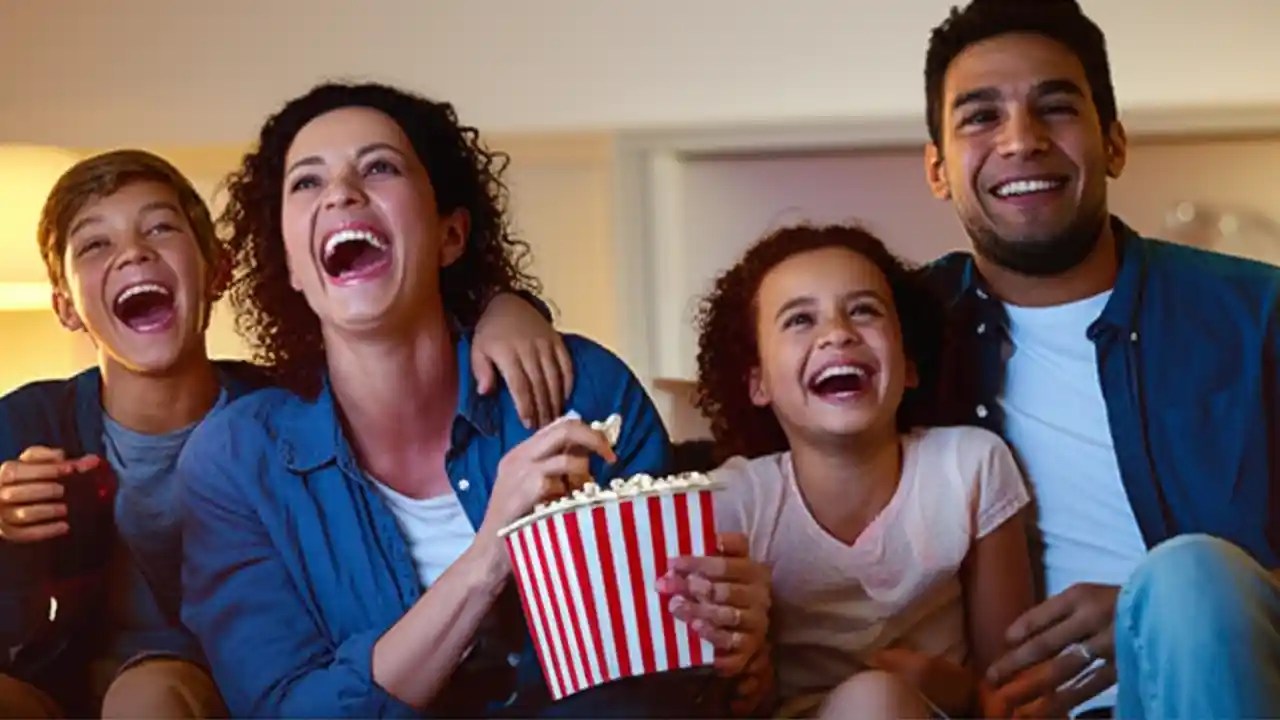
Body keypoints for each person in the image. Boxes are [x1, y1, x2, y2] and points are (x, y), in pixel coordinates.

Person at [175, 81, 771, 718]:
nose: (342, 192)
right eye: (307, 182)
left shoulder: (584, 390)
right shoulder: (236, 461)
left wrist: (730, 635)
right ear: (291, 264)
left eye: (379, 167)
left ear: (450, 236)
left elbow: (653, 678)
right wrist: (493, 551)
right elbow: (289, 709)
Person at [0, 149, 578, 718]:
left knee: (145, 700)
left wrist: (508, 306)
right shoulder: (25, 423)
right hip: (52, 679)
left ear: (218, 269)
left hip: (223, 682)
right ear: (66, 306)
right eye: (96, 244)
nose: (132, 254)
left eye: (159, 227)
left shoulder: (283, 414)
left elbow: (406, 347)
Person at [920, 1, 1280, 717]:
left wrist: (1162, 622)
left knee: (1187, 580)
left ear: (1113, 143)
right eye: (980, 117)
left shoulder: (1257, 316)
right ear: (937, 168)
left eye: (1054, 107)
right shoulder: (899, 336)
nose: (1021, 141)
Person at [693, 223, 1035, 718]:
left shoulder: (971, 466)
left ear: (910, 364)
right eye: (799, 320)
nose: (837, 332)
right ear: (758, 383)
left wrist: (949, 687)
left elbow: (1012, 692)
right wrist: (748, 682)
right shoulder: (733, 501)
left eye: (863, 310)